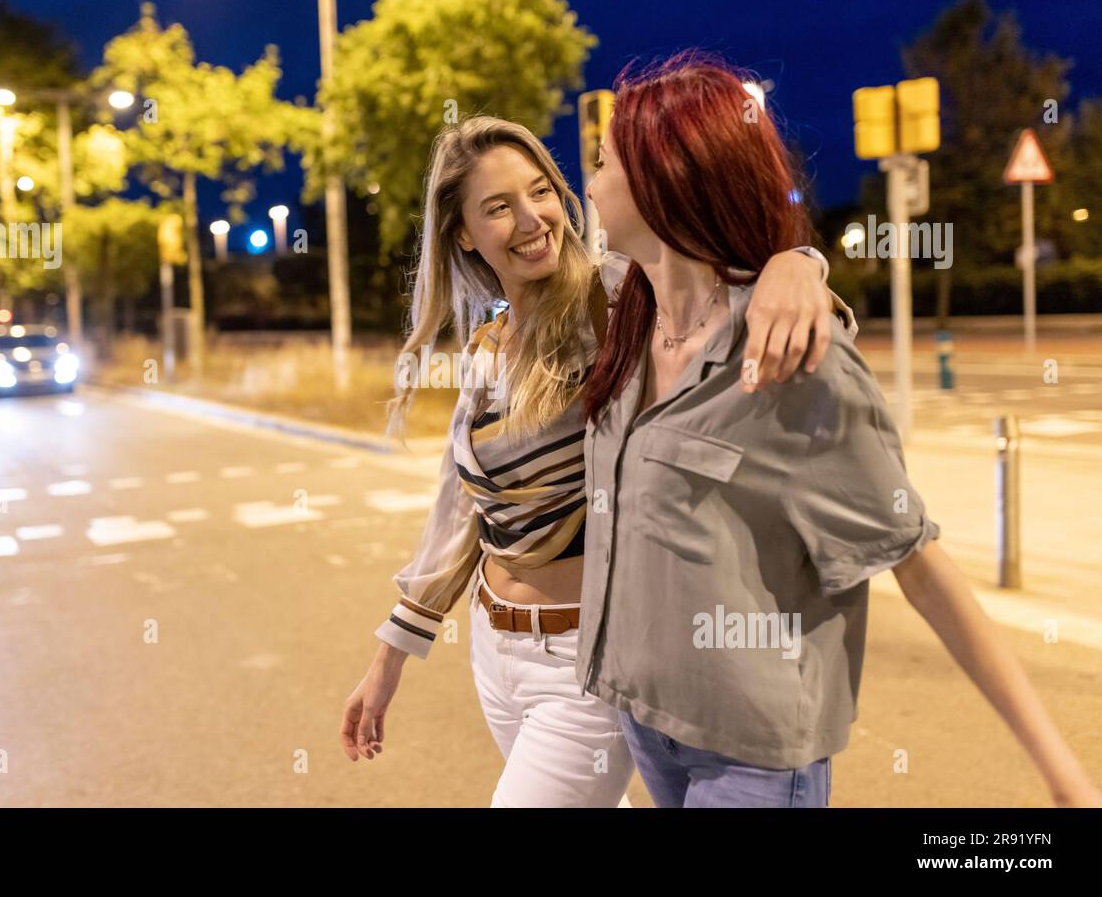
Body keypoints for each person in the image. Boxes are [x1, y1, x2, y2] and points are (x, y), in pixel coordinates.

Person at [580, 51, 1102, 807]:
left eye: (604, 162)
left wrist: (1061, 772)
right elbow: (507, 253)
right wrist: (800, 259)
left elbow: (916, 562)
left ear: (668, 178)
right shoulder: (623, 316)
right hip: (648, 726)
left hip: (750, 754)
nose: (589, 183)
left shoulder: (796, 361)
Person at [340, 114, 844, 806]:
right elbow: (461, 509)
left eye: (540, 191)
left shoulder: (616, 297)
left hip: (590, 661)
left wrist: (799, 265)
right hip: (495, 651)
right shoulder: (488, 345)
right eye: (499, 207)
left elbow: (753, 307)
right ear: (463, 233)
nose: (532, 219)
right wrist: (390, 658)